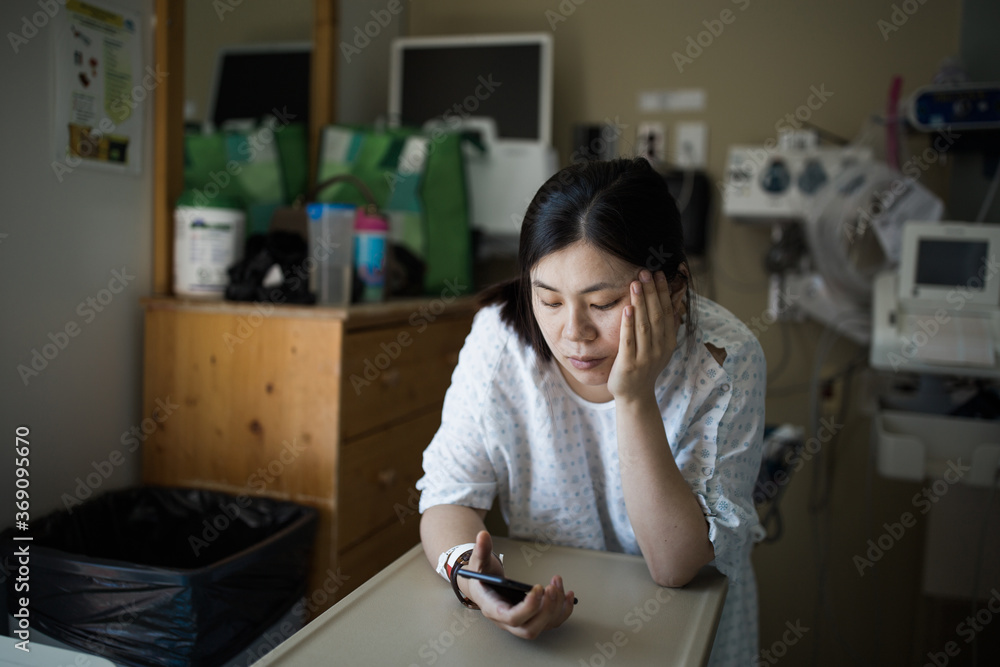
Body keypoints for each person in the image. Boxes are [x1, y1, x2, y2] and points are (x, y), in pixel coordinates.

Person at [416, 157, 766, 665]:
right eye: (550, 300)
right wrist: (472, 579)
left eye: (602, 304)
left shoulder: (724, 361)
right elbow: (448, 495)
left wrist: (634, 395)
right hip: (555, 630)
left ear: (672, 287)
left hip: (684, 635)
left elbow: (675, 566)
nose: (573, 333)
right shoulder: (500, 337)